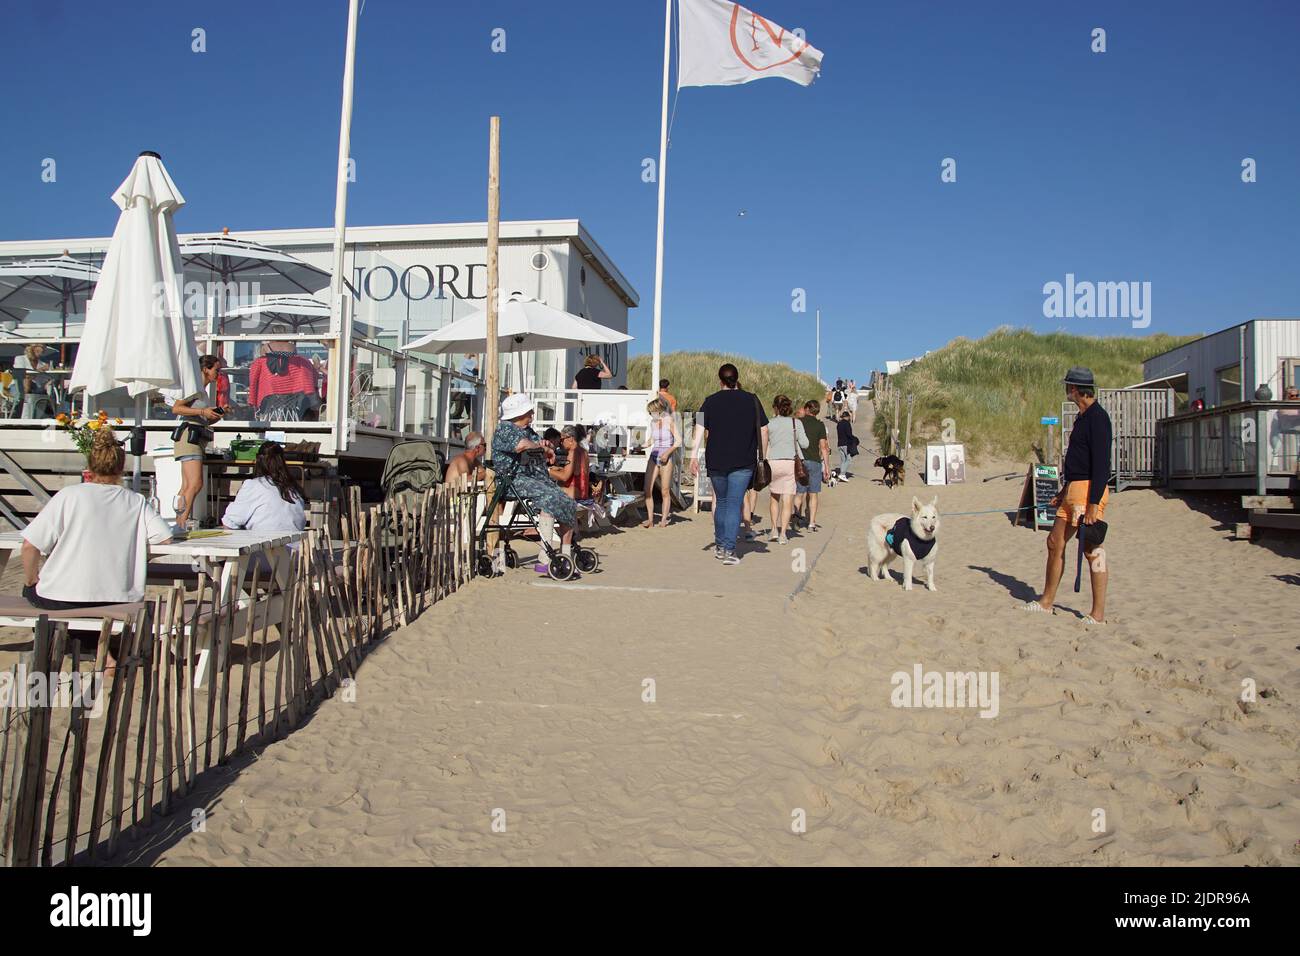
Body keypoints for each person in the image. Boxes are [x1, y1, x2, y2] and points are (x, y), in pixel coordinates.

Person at [21, 428, 173, 670]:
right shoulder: (135, 500)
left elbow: (30, 546)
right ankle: (104, 653)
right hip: (118, 595)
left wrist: (31, 580)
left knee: (34, 592)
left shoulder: (69, 495)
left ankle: (64, 651)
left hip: (62, 596)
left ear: (89, 467)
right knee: (90, 601)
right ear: (120, 468)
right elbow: (164, 538)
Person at [1025, 367, 1112, 624]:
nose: (1066, 390)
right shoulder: (1081, 417)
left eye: (1067, 386)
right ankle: (1046, 602)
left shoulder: (1098, 418)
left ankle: (1097, 614)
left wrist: (1094, 504)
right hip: (1074, 489)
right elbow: (1078, 460)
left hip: (1088, 492)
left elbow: (1101, 465)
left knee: (1092, 549)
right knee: (1054, 542)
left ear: (1074, 388)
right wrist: (1063, 491)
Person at [690, 363, 768, 565]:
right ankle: (729, 550)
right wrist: (763, 455)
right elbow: (764, 429)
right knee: (734, 503)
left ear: (720, 380)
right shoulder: (751, 399)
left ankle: (719, 546)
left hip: (716, 460)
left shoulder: (709, 401)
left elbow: (698, 428)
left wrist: (692, 456)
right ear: (736, 378)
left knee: (722, 503)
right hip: (743, 460)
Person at [492, 393, 577, 575]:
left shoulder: (527, 430)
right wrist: (542, 447)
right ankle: (546, 557)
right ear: (520, 413)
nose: (532, 415)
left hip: (533, 477)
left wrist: (547, 447)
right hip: (512, 479)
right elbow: (521, 445)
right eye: (529, 412)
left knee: (567, 501)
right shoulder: (504, 429)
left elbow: (535, 444)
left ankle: (566, 554)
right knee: (549, 498)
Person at [165, 355, 226, 530]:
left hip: (195, 435)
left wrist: (218, 414)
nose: (218, 373)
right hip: (189, 435)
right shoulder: (196, 388)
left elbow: (204, 418)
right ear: (206, 369)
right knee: (195, 483)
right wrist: (202, 411)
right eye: (216, 369)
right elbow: (177, 408)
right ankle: (181, 523)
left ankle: (176, 521)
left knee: (187, 485)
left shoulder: (203, 391)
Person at [221, 441, 307, 538]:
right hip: (295, 548)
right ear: (283, 462)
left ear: (258, 461)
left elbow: (229, 523)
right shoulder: (294, 488)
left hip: (265, 547)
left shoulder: (253, 485)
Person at [762, 395, 808, 544]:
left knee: (774, 497)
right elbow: (805, 444)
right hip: (790, 463)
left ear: (775, 407)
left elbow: (764, 441)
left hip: (773, 461)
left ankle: (774, 529)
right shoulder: (796, 422)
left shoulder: (769, 422)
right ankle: (783, 534)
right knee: (788, 500)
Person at [248, 340, 320, 419]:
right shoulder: (302, 360)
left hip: (268, 397)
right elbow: (311, 382)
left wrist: (252, 400)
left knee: (266, 415)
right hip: (293, 398)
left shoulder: (260, 360)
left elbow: (253, 382)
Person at [641, 398, 681, 528]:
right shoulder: (653, 422)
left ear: (658, 410)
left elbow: (678, 441)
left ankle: (663, 519)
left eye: (651, 412)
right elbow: (652, 439)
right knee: (647, 489)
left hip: (666, 456)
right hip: (654, 454)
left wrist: (668, 453)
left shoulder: (669, 420)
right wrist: (640, 446)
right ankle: (650, 519)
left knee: (664, 490)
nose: (650, 414)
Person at [794, 399, 831, 531]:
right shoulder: (820, 425)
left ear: (807, 409)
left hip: (800, 462)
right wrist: (827, 467)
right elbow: (824, 447)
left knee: (799, 493)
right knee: (813, 493)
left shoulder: (798, 423)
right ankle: (811, 523)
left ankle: (797, 519)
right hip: (815, 461)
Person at [549, 425, 591, 500]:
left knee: (546, 490)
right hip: (583, 493)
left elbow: (564, 477)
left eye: (562, 440)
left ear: (571, 439)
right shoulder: (583, 451)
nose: (561, 443)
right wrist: (559, 469)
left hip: (574, 493)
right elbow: (576, 472)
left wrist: (548, 470)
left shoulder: (573, 452)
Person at [14, 344, 53, 419]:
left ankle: (49, 414)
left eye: (42, 351)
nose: (40, 353)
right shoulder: (20, 359)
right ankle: (25, 416)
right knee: (27, 382)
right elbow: (22, 375)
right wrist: (40, 370)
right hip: (19, 386)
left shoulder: (42, 364)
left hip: (36, 388)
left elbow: (43, 380)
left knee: (50, 388)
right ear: (31, 349)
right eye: (37, 351)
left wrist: (49, 381)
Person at [836, 411, 858, 478]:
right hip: (846, 444)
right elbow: (849, 434)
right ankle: (842, 474)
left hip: (839, 444)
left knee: (843, 460)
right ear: (848, 417)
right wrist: (855, 439)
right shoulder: (847, 424)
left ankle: (842, 473)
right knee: (848, 459)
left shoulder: (839, 424)